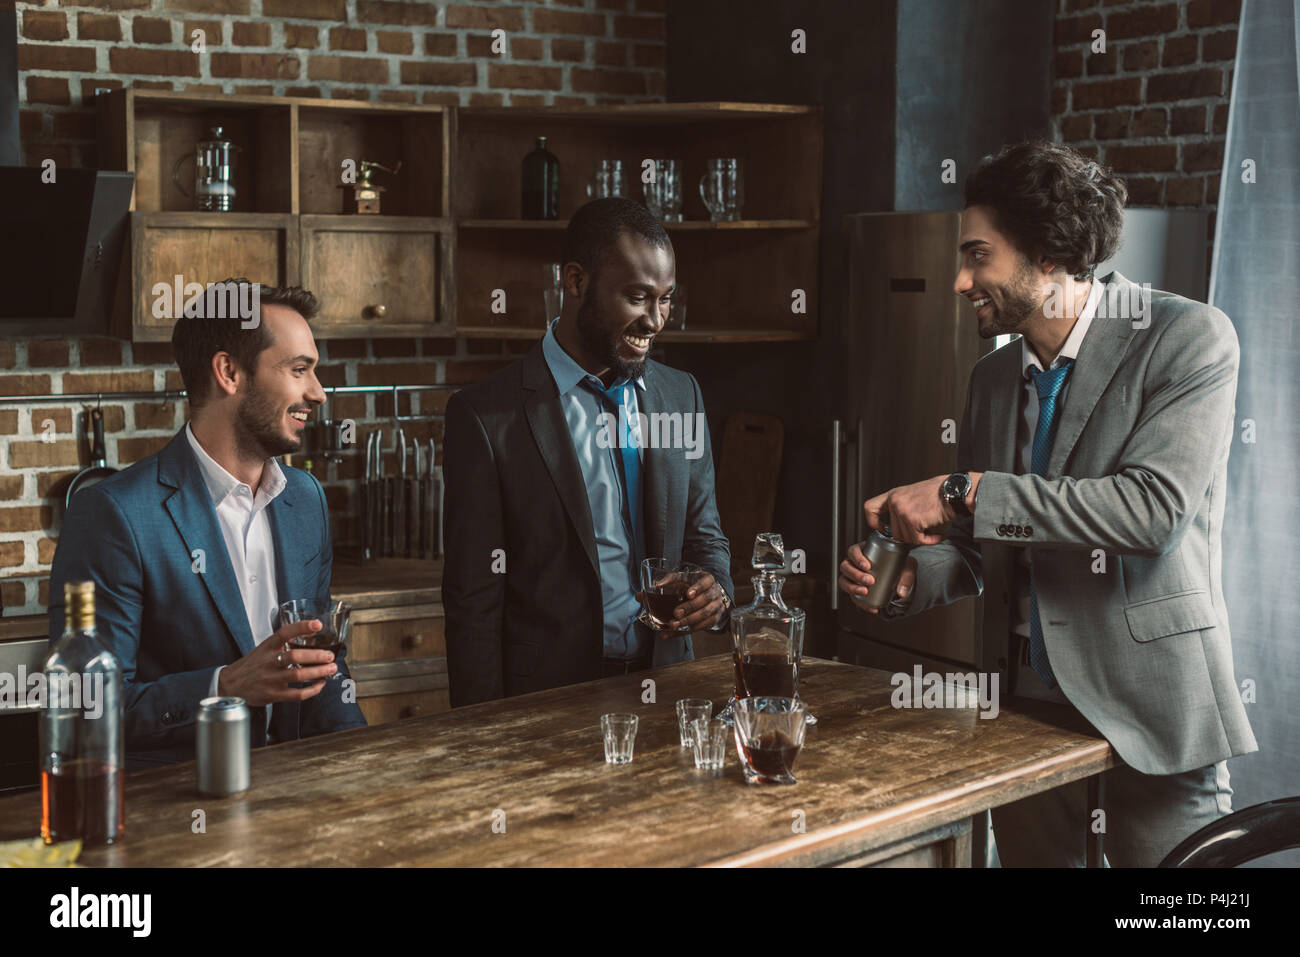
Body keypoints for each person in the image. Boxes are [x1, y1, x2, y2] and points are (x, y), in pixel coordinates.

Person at [838, 141, 1257, 867]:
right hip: (1027, 713)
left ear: (1049, 254)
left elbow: (1149, 512)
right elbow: (979, 545)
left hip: (1154, 712)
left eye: (977, 256)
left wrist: (959, 490)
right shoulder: (992, 378)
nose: (960, 279)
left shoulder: (1187, 338)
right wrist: (918, 580)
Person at [49, 280, 366, 769]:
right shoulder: (114, 514)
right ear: (228, 372)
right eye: (299, 370)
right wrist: (224, 686)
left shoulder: (306, 500)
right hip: (175, 807)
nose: (318, 393)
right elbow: (83, 708)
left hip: (297, 796)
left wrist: (362, 771)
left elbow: (324, 667)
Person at [444, 198, 734, 706]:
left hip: (667, 689)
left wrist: (717, 590)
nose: (656, 321)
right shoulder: (486, 416)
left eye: (666, 299)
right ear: (575, 282)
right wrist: (481, 734)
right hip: (547, 700)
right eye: (638, 297)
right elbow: (473, 601)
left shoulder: (679, 394)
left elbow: (704, 533)